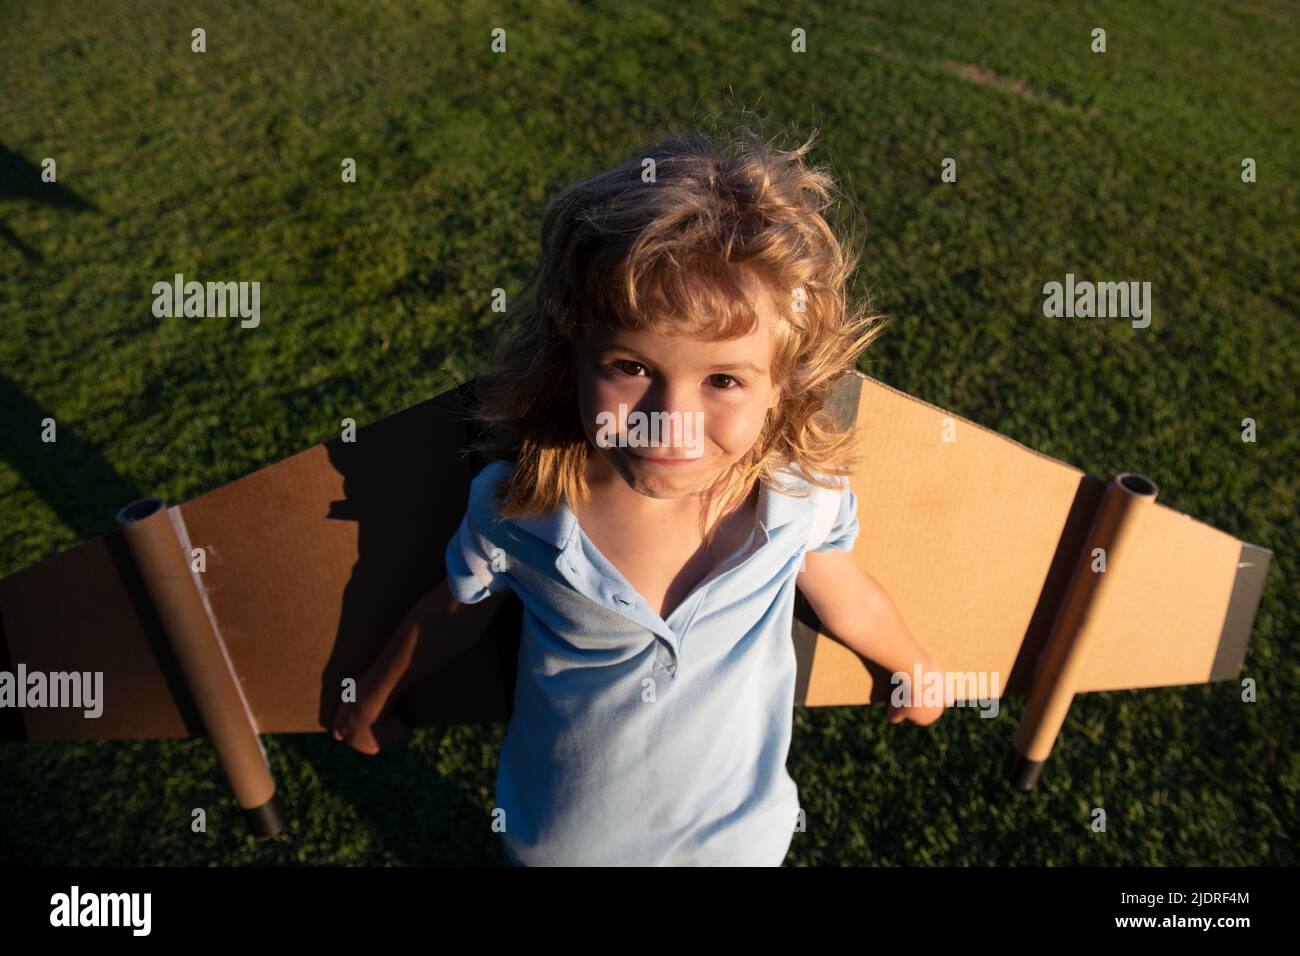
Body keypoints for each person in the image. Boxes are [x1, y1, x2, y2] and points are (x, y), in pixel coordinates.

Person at [333, 122, 944, 865]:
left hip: (739, 848)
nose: (671, 418)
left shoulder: (797, 497)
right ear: (571, 361)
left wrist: (913, 665)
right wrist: (372, 695)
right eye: (629, 366)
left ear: (781, 387)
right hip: (561, 847)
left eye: (723, 380)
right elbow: (452, 615)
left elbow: (849, 596)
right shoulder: (520, 506)